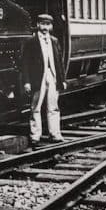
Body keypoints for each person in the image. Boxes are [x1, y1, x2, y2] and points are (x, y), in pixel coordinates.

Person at [20, 14, 67, 146]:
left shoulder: (54, 41)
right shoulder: (31, 42)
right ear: (37, 25)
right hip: (37, 78)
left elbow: (59, 63)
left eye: (48, 24)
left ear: (51, 26)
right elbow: (25, 63)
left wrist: (63, 80)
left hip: (52, 77)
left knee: (53, 107)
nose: (45, 27)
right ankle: (35, 136)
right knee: (36, 107)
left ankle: (55, 134)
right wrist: (26, 82)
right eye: (42, 24)